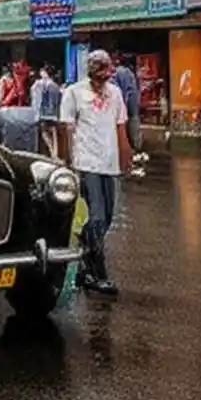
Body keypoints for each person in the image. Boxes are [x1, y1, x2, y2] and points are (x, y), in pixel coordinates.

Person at [59, 49, 132, 296]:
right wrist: (66, 161)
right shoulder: (74, 93)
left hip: (108, 163)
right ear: (91, 70)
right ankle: (97, 273)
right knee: (98, 216)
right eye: (99, 69)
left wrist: (126, 153)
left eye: (106, 69)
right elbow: (65, 128)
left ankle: (85, 254)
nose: (104, 74)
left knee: (107, 217)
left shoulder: (116, 94)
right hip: (86, 162)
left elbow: (120, 125)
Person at [113, 53, 146, 169]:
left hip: (127, 105)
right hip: (132, 106)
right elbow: (131, 91)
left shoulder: (119, 73)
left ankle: (131, 150)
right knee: (133, 125)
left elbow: (122, 91)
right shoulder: (129, 73)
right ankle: (135, 149)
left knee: (126, 126)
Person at [30, 65, 63, 158]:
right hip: (53, 112)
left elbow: (36, 98)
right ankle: (55, 152)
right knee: (53, 131)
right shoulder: (55, 86)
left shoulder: (39, 84)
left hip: (43, 112)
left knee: (44, 132)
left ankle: (51, 151)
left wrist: (36, 112)